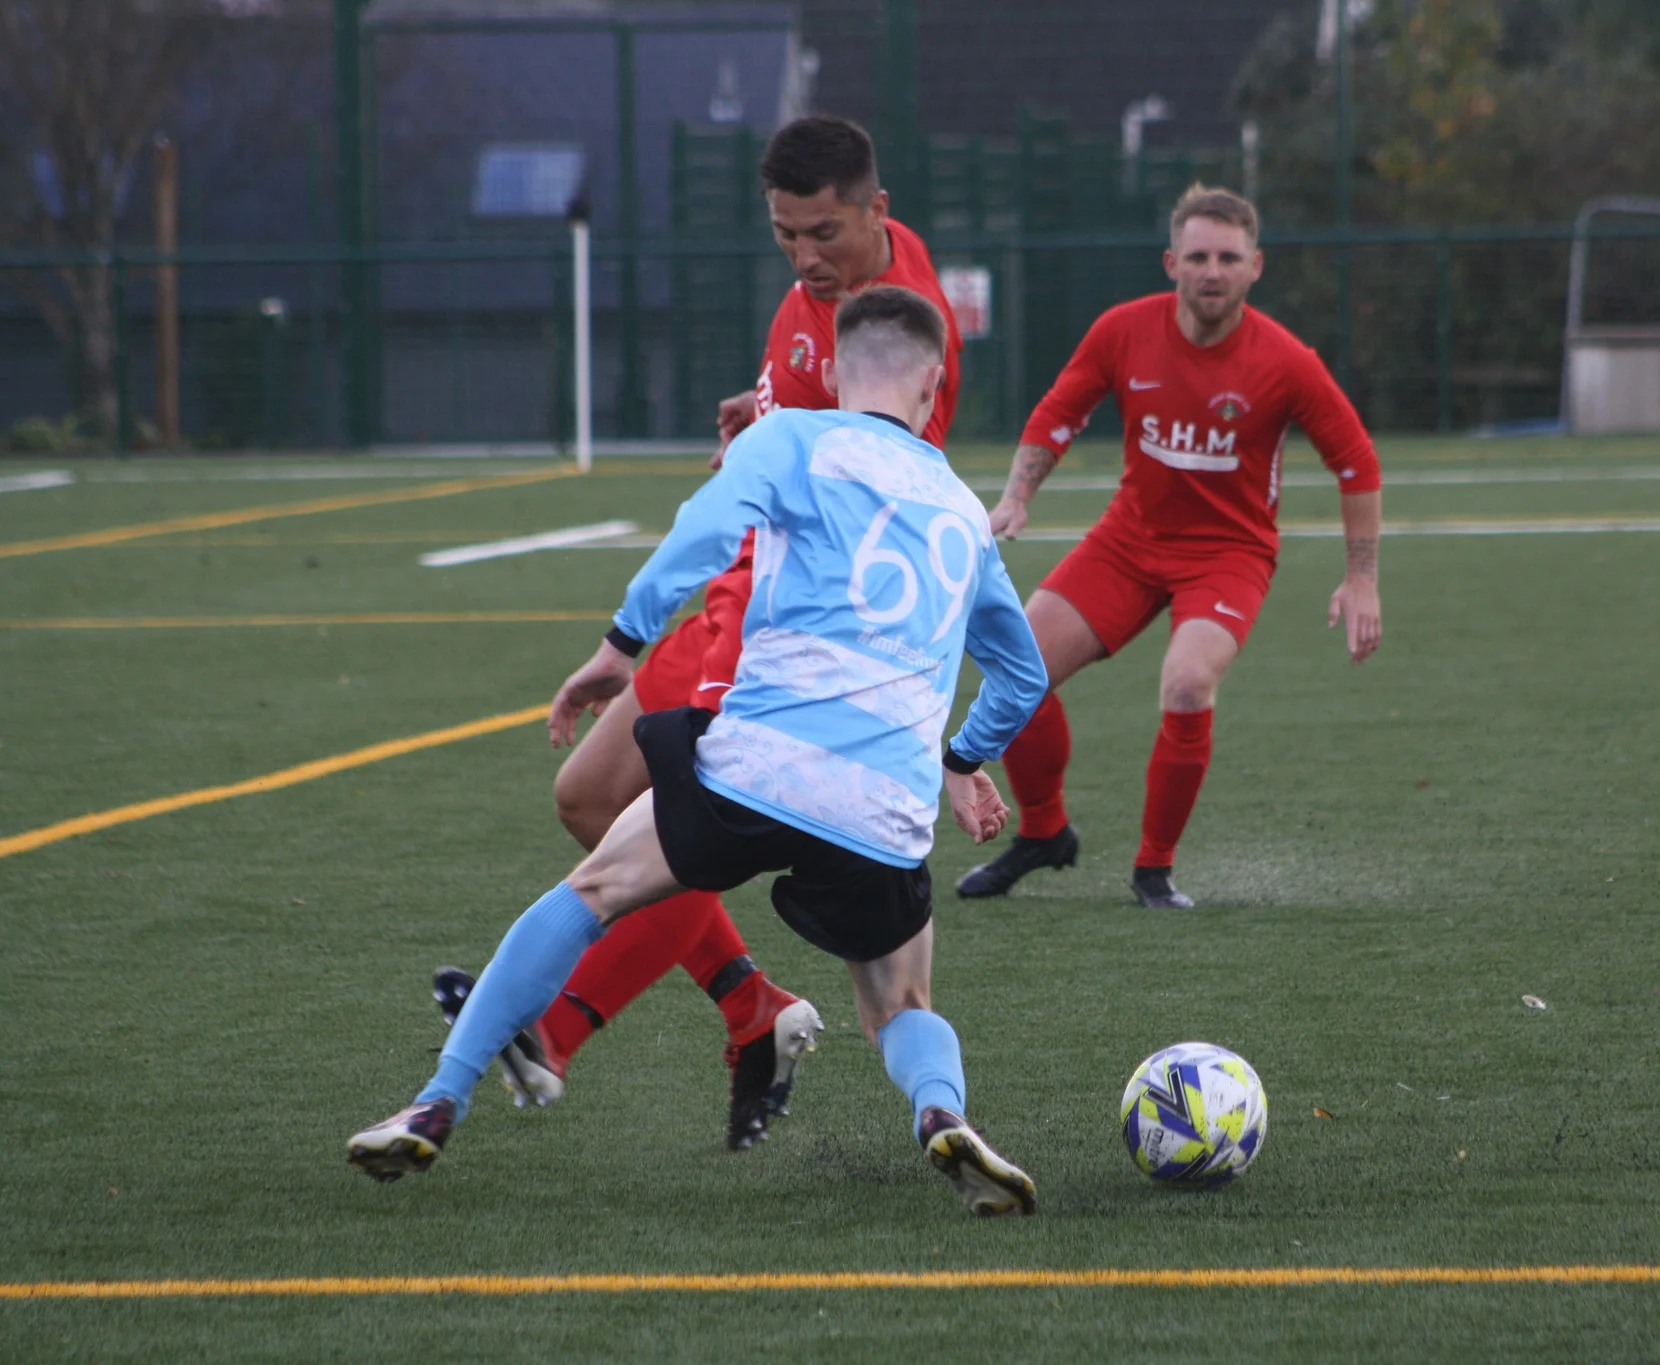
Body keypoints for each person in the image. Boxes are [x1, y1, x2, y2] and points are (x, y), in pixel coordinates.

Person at [350, 287, 1049, 1217]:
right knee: (902, 1002)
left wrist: (620, 644)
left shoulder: (792, 436)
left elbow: (705, 533)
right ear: (936, 382)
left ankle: (441, 1096)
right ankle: (938, 1113)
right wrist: (964, 755)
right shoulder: (965, 512)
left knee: (594, 889)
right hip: (883, 802)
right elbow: (1022, 675)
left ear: (836, 371)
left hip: (755, 765)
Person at [436, 115, 964, 1150]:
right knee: (591, 798)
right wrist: (766, 408)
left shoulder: (906, 329)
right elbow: (810, 405)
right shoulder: (842, 289)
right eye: (784, 236)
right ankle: (744, 1009)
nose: (806, 258)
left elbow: (876, 496)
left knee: (634, 816)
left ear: (877, 215)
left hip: (775, 630)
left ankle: (564, 1025)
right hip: (744, 592)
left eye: (824, 234)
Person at [957, 184, 1384, 910]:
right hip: (1129, 539)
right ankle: (1043, 832)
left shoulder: (1287, 361)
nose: (1211, 271)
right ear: (1170, 263)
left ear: (1256, 267)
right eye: (1197, 256)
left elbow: (1356, 462)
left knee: (1188, 682)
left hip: (1229, 553)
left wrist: (1361, 578)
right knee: (1016, 669)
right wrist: (1017, 495)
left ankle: (1154, 869)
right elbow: (1062, 409)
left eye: (1227, 257)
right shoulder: (1124, 331)